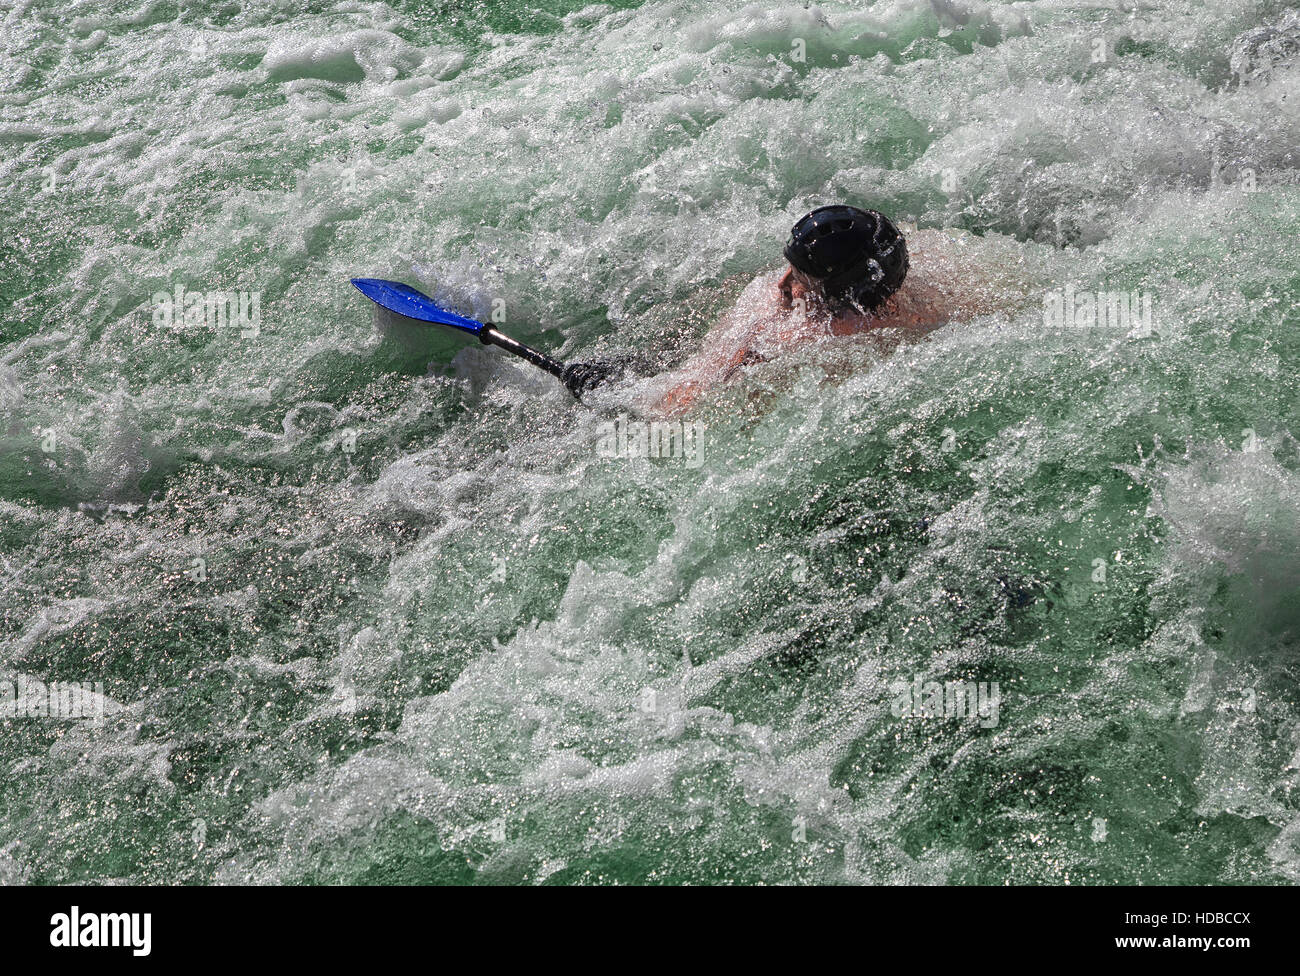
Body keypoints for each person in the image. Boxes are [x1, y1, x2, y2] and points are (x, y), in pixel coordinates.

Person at [647, 205, 1026, 415]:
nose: (782, 284)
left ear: (844, 298)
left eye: (800, 279)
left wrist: (748, 357)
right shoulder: (942, 266)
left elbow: (682, 405)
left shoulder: (809, 339)